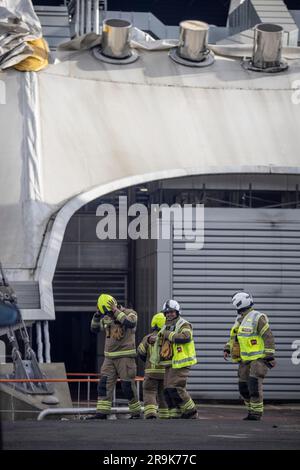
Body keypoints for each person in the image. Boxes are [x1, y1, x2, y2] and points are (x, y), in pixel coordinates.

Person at [224, 292, 276, 421]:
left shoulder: (257, 317)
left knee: (253, 385)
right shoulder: (239, 319)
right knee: (243, 388)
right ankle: (251, 410)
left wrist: (269, 356)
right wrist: (227, 348)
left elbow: (268, 336)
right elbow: (234, 337)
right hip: (244, 360)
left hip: (258, 359)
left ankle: (256, 413)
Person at [90, 293, 142, 419]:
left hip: (125, 357)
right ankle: (102, 412)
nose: (108, 315)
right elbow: (95, 329)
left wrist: (115, 311)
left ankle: (136, 413)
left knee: (127, 386)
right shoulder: (107, 317)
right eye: (106, 313)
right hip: (109, 358)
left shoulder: (130, 312)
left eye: (109, 312)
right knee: (103, 385)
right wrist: (97, 316)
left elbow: (131, 323)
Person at [158, 299, 198, 419]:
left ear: (177, 312)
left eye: (172, 312)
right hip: (169, 363)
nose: (169, 314)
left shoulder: (184, 324)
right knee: (167, 390)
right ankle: (175, 413)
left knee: (176, 388)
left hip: (181, 362)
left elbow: (185, 337)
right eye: (167, 312)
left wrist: (168, 335)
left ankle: (191, 411)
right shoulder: (165, 326)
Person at [137, 312, 169, 419]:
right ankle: (165, 415)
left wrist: (146, 360)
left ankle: (151, 414)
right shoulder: (167, 338)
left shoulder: (147, 338)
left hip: (151, 372)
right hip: (165, 373)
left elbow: (140, 352)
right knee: (163, 395)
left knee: (149, 392)